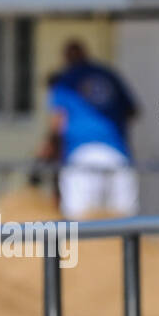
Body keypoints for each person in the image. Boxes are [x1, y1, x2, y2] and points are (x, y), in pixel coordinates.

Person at [38, 40, 139, 218]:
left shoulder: (66, 80)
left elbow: (58, 121)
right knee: (123, 222)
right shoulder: (108, 75)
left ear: (66, 58)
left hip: (80, 156)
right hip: (116, 154)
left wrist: (47, 150)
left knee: (79, 223)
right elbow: (132, 110)